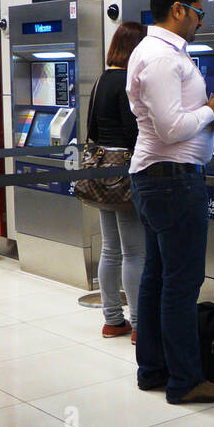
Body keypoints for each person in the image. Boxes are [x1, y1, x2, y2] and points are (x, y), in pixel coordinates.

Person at [127, 0, 214, 403]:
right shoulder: (160, 58)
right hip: (170, 179)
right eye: (198, 12)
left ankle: (154, 369)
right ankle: (185, 380)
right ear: (178, 10)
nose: (200, 21)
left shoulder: (159, 53)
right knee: (180, 283)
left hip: (160, 179)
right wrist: (212, 108)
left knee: (158, 278)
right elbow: (172, 128)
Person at [89, 21, 146, 342]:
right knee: (135, 252)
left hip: (100, 172)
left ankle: (112, 319)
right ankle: (139, 324)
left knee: (110, 250)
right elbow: (132, 133)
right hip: (125, 172)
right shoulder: (127, 82)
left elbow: (92, 130)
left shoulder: (100, 80)